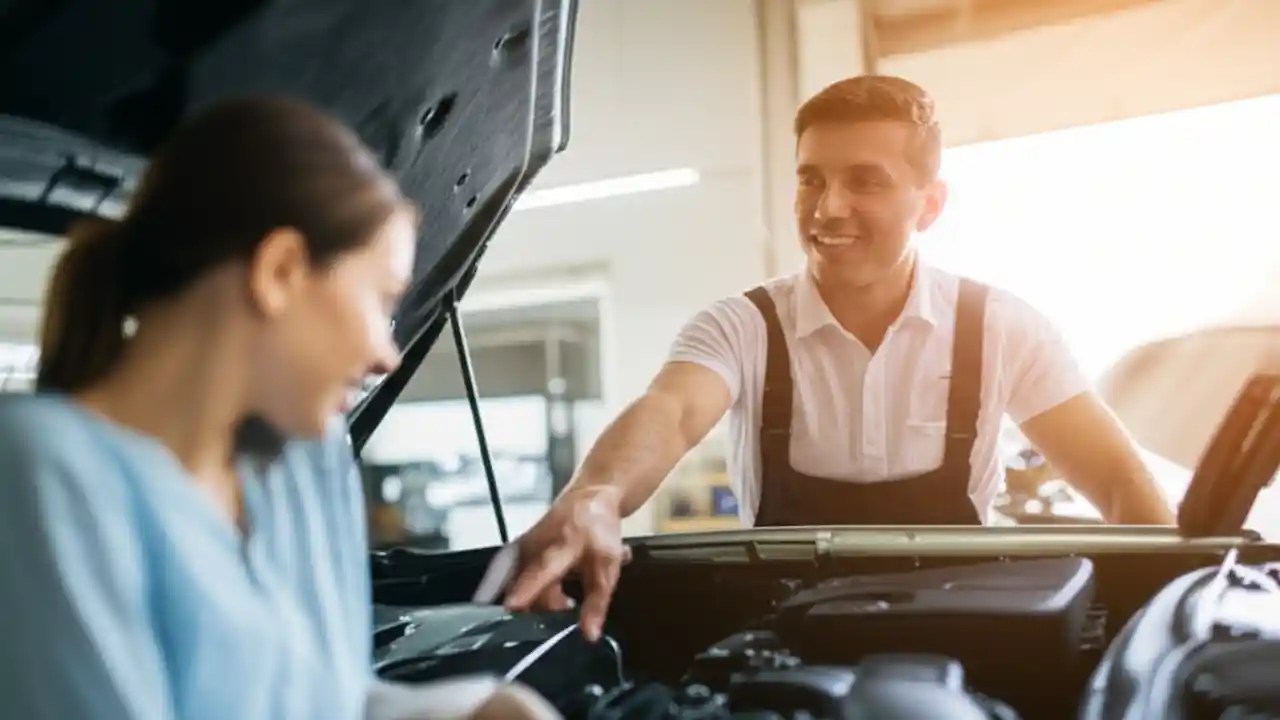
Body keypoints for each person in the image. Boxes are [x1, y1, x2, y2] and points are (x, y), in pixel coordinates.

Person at [504, 75, 1176, 641]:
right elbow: (672, 411)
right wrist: (597, 496)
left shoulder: (1002, 327)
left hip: (969, 635)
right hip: (782, 635)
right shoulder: (743, 327)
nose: (828, 208)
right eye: (811, 180)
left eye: (864, 182)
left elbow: (1123, 487)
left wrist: (1167, 612)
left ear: (931, 204)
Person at [0, 97, 557, 720]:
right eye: (381, 301)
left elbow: (337, 702)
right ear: (281, 271)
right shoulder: (43, 472)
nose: (387, 355)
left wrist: (481, 709)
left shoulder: (305, 465)